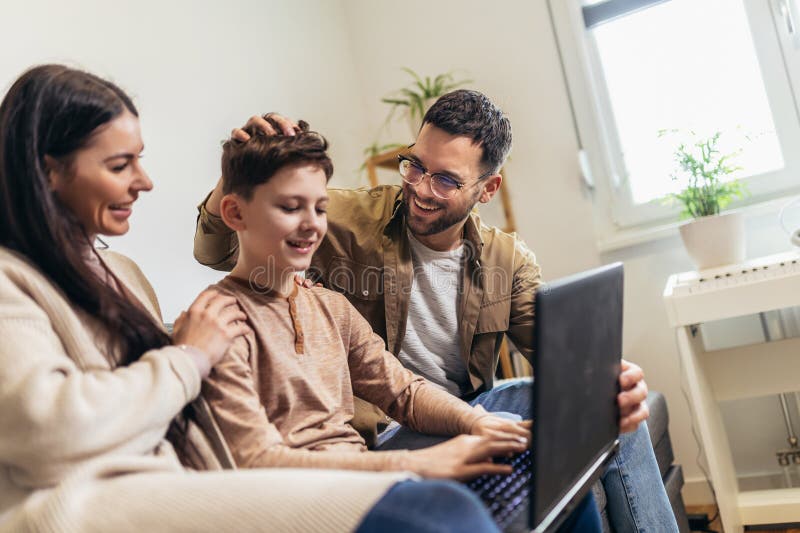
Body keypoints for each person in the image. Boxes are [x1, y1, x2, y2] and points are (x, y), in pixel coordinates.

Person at [0, 64, 529, 533]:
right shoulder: (214, 320)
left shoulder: (125, 275)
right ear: (47, 170)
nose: (146, 182)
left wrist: (476, 423)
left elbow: (404, 389)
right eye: (120, 165)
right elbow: (245, 453)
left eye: (320, 208)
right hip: (145, 496)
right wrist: (189, 357)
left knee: (533, 440)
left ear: (487, 188)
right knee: (439, 512)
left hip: (202, 481)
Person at [193, 90, 679, 531]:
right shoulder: (339, 221)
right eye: (415, 167)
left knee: (602, 404)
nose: (423, 189)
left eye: (446, 180)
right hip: (384, 434)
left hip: (457, 405)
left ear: (487, 190)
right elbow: (217, 248)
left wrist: (606, 379)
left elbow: (561, 363)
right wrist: (236, 175)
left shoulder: (505, 261)